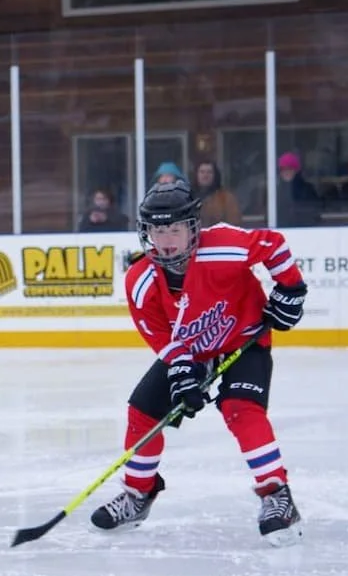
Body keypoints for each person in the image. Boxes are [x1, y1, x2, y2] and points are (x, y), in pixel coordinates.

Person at [91, 178, 308, 544]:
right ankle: (138, 494)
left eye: (175, 228)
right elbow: (161, 336)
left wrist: (290, 290)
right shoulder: (139, 280)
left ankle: (277, 497)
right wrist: (184, 373)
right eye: (157, 231)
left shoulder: (223, 246)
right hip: (193, 349)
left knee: (241, 409)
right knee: (142, 411)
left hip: (244, 338)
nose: (166, 239)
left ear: (193, 227)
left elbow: (274, 246)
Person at [276, 151, 323, 227]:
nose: (286, 172)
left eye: (290, 168)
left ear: (296, 170)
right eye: (283, 169)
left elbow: (315, 214)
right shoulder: (275, 192)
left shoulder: (308, 190)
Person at [191, 159, 243, 226]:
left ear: (215, 175)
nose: (205, 175)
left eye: (209, 172)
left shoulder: (226, 198)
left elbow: (234, 223)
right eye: (202, 172)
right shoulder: (188, 197)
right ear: (196, 174)